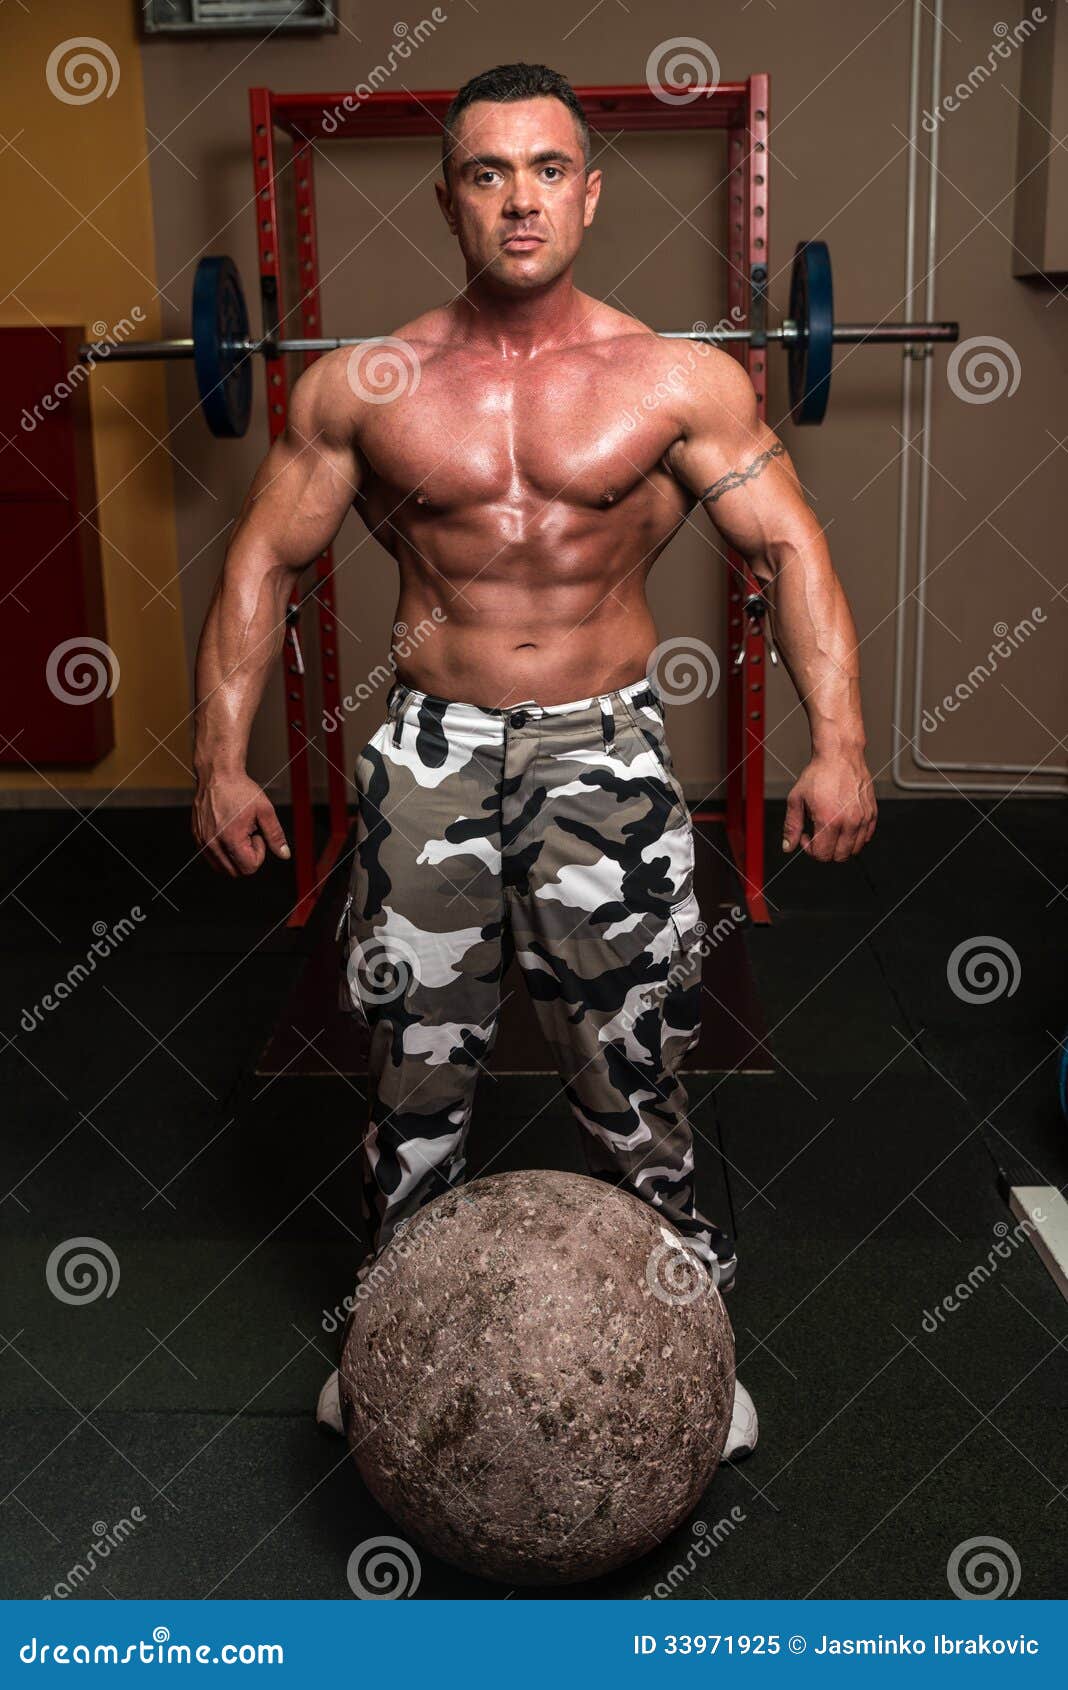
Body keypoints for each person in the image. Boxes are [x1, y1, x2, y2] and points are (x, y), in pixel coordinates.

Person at [192, 63, 877, 1466]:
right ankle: (388, 1355)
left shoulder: (679, 379)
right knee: (410, 1078)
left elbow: (793, 545)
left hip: (604, 752)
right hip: (428, 757)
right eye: (489, 171)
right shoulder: (366, 384)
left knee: (636, 1070)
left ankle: (696, 1359)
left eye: (549, 168)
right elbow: (263, 554)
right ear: (450, 194)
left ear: (589, 191)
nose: (520, 198)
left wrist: (843, 744)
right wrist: (222, 757)